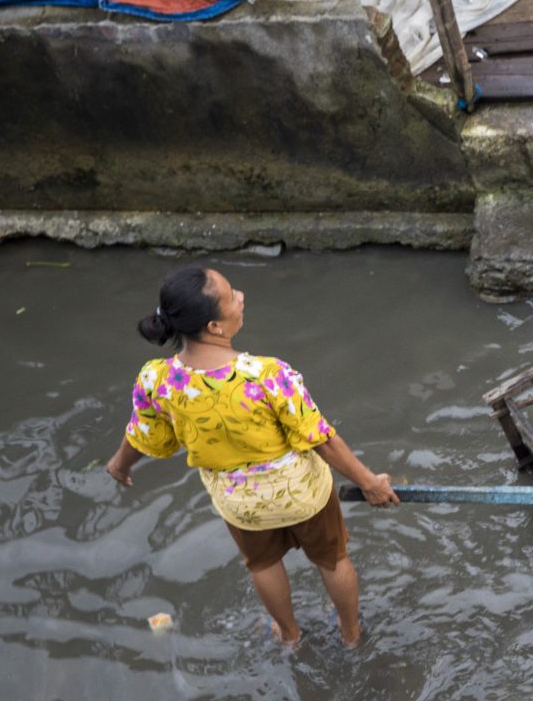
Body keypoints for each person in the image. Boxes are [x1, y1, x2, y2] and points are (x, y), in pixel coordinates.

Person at [104, 266, 398, 647]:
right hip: (301, 494)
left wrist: (119, 465)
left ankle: (289, 635)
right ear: (214, 326)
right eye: (231, 296)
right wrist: (369, 483)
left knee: (263, 565)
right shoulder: (267, 374)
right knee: (333, 559)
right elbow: (321, 439)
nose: (241, 296)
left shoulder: (156, 380)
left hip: (240, 504)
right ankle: (351, 633)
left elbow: (141, 434)